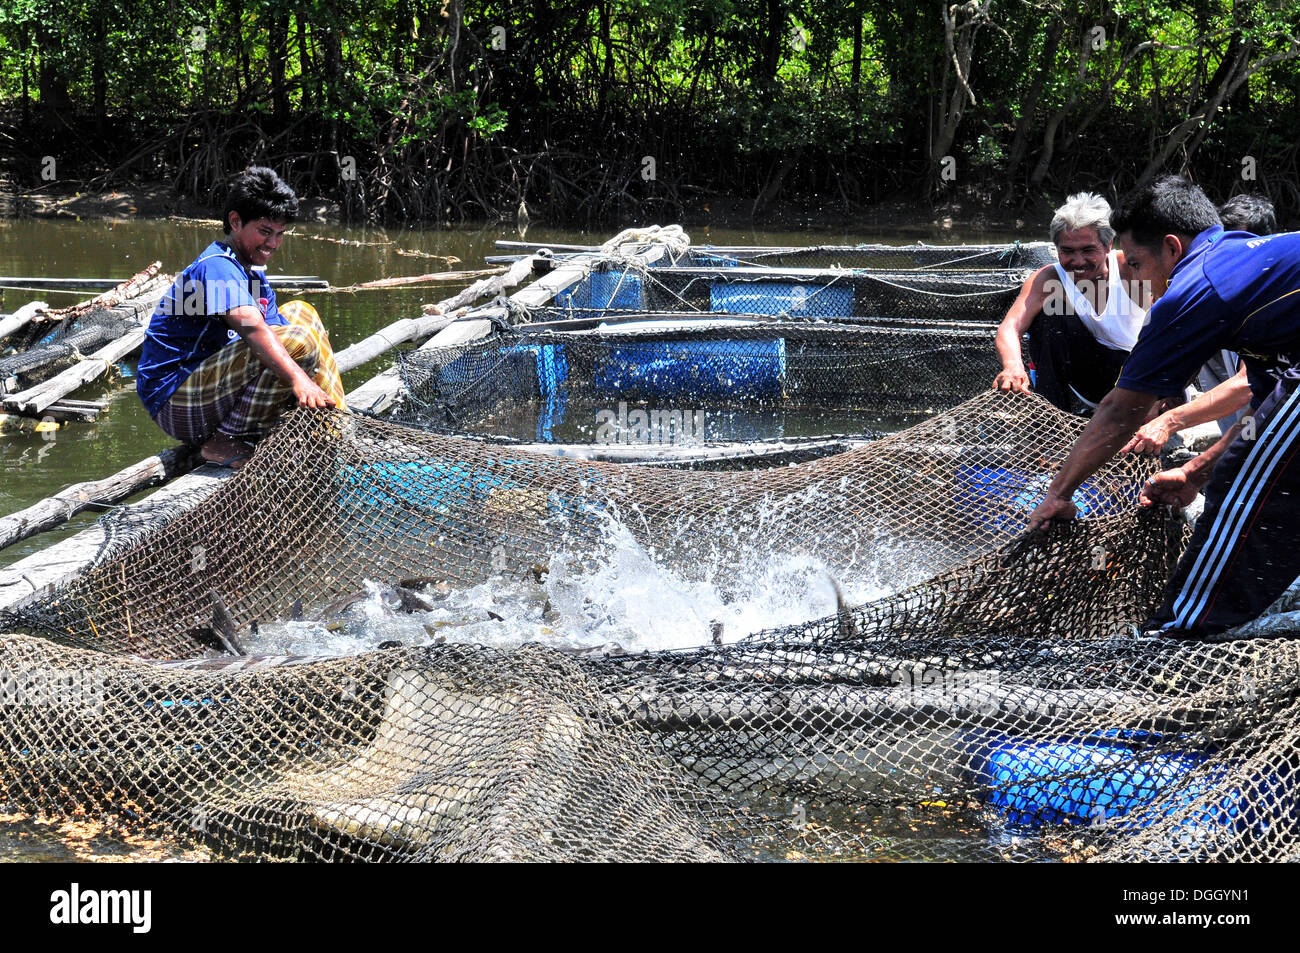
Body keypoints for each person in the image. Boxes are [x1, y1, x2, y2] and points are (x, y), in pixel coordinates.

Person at [1027, 174, 1300, 640]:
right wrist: (1194, 472)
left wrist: (1059, 493)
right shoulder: (1248, 265)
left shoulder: (1197, 287)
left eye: (1133, 263)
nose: (1130, 276)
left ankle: (1178, 632)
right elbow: (1267, 408)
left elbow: (1121, 412)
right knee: (1240, 463)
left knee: (1241, 491)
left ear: (1173, 248)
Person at [137, 167, 347, 469]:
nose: (273, 244)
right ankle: (223, 440)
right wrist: (300, 381)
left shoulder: (253, 275)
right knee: (296, 341)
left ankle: (335, 427)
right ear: (235, 222)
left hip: (210, 392)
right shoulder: (217, 266)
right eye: (264, 231)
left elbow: (280, 332)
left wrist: (312, 386)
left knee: (304, 313)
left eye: (280, 234)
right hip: (174, 401)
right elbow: (252, 329)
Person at [1123, 193, 1278, 452]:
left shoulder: (1267, 290)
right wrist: (1161, 396)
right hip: (1237, 408)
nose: (1226, 258)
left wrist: (1169, 422)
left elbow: (1246, 383)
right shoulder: (1197, 282)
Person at [993, 192, 1146, 414]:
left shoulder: (1133, 268)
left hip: (1138, 376)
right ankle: (1050, 424)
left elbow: (1172, 330)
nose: (1078, 261)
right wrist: (1013, 365)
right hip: (1093, 381)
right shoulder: (1048, 278)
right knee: (1050, 317)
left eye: (1088, 250)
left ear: (1108, 245)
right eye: (1067, 251)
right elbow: (1010, 327)